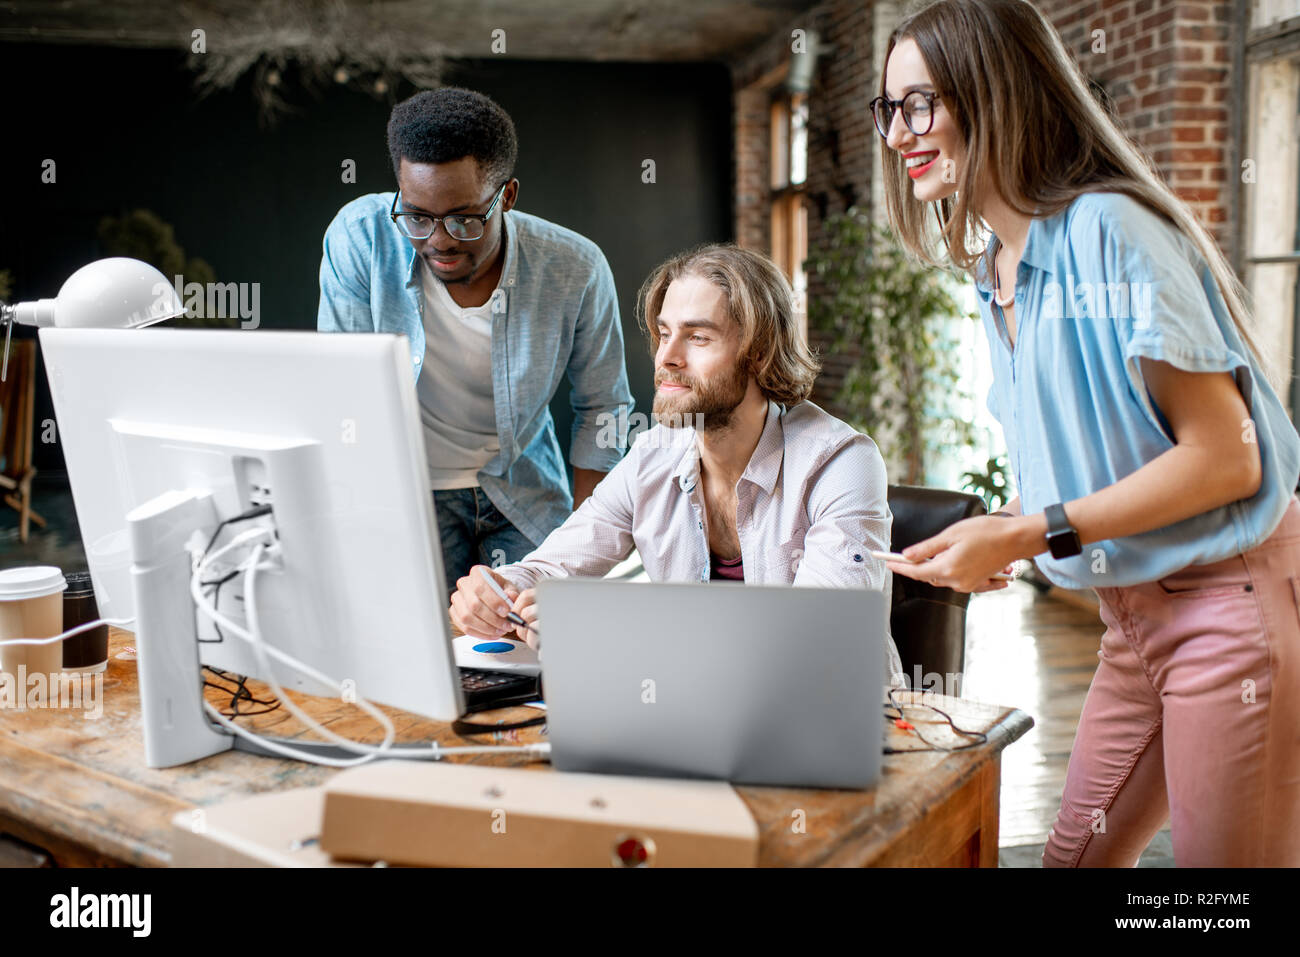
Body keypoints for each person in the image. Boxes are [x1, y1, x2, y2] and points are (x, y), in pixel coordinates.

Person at [871, 0, 1300, 867]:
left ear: (992, 92)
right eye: (890, 109)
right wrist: (1001, 535)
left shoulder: (1110, 229)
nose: (898, 133)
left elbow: (1225, 457)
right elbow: (1097, 459)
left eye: (921, 104)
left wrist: (1033, 529)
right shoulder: (999, 271)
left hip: (1228, 607)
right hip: (1130, 620)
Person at [449, 244, 902, 680]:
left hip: (838, 732)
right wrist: (496, 590)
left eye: (698, 337)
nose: (667, 357)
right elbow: (548, 568)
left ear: (760, 353)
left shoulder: (841, 462)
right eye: (664, 333)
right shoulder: (653, 455)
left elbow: (820, 640)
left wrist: (600, 624)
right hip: (694, 715)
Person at [317, 87, 634, 595]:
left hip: (525, 496)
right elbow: (344, 394)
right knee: (427, 656)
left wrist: (581, 547)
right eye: (417, 216)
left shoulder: (575, 267)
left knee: (532, 650)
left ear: (506, 197)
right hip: (409, 493)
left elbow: (604, 408)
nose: (438, 240)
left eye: (464, 218)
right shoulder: (360, 238)